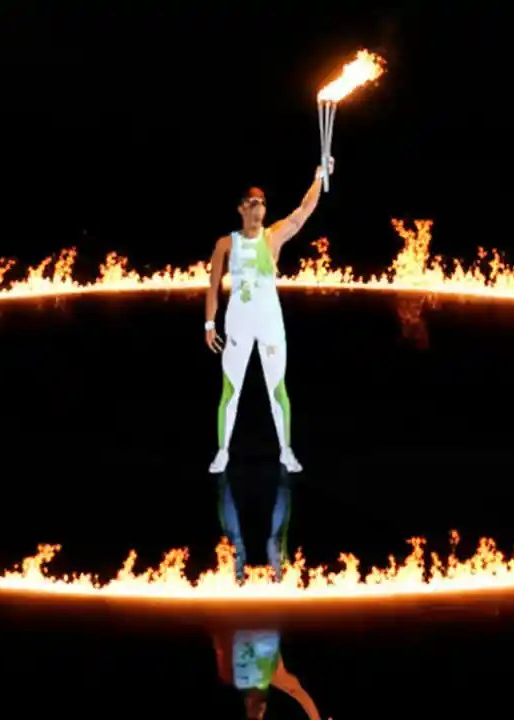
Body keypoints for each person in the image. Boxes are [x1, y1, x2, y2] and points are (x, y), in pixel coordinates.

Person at [205, 159, 334, 474]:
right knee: (229, 391)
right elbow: (212, 287)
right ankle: (223, 452)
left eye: (262, 202)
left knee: (278, 389)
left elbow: (304, 210)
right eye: (252, 202)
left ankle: (285, 452)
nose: (258, 206)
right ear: (241, 208)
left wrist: (319, 177)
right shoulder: (226, 244)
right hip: (237, 323)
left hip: (270, 323)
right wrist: (209, 323)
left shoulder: (273, 236)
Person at [212, 468, 323, 719]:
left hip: (240, 595)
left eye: (255, 711)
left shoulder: (231, 675)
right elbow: (299, 693)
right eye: (262, 711)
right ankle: (283, 479)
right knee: (274, 541)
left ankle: (225, 482)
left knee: (236, 541)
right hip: (271, 593)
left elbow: (218, 638)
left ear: (247, 707)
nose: (260, 708)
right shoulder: (275, 677)